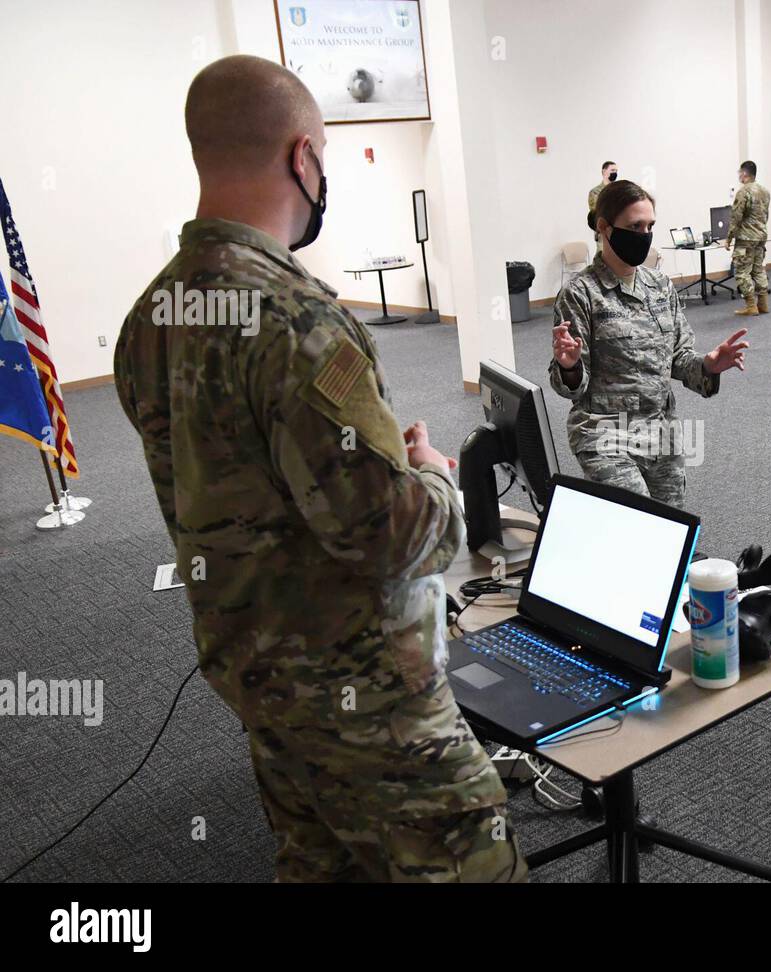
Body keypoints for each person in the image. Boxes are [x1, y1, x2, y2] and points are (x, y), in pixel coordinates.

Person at [114, 55, 526, 883]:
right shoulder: (295, 318)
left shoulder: (150, 316)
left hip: (257, 674)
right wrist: (433, 473)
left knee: (322, 864)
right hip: (364, 690)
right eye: (325, 162)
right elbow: (392, 537)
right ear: (303, 157)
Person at [551, 179, 749, 508]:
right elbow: (571, 387)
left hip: (660, 432)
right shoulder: (580, 292)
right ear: (604, 227)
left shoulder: (659, 285)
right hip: (605, 433)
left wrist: (709, 365)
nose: (644, 234)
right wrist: (569, 365)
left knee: (671, 527)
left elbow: (680, 359)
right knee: (637, 524)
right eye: (634, 226)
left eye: (649, 226)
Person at [724, 160, 771, 317]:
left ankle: (751, 305)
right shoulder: (765, 191)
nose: (739, 175)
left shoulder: (743, 192)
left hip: (746, 238)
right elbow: (766, 215)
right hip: (761, 236)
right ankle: (763, 303)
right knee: (758, 269)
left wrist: (729, 238)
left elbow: (736, 217)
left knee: (742, 272)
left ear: (744, 173)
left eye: (739, 172)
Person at [587, 160, 618, 244]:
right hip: (603, 232)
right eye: (612, 170)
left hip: (618, 232)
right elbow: (596, 213)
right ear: (604, 171)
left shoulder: (618, 191)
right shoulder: (595, 192)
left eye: (616, 171)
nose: (615, 173)